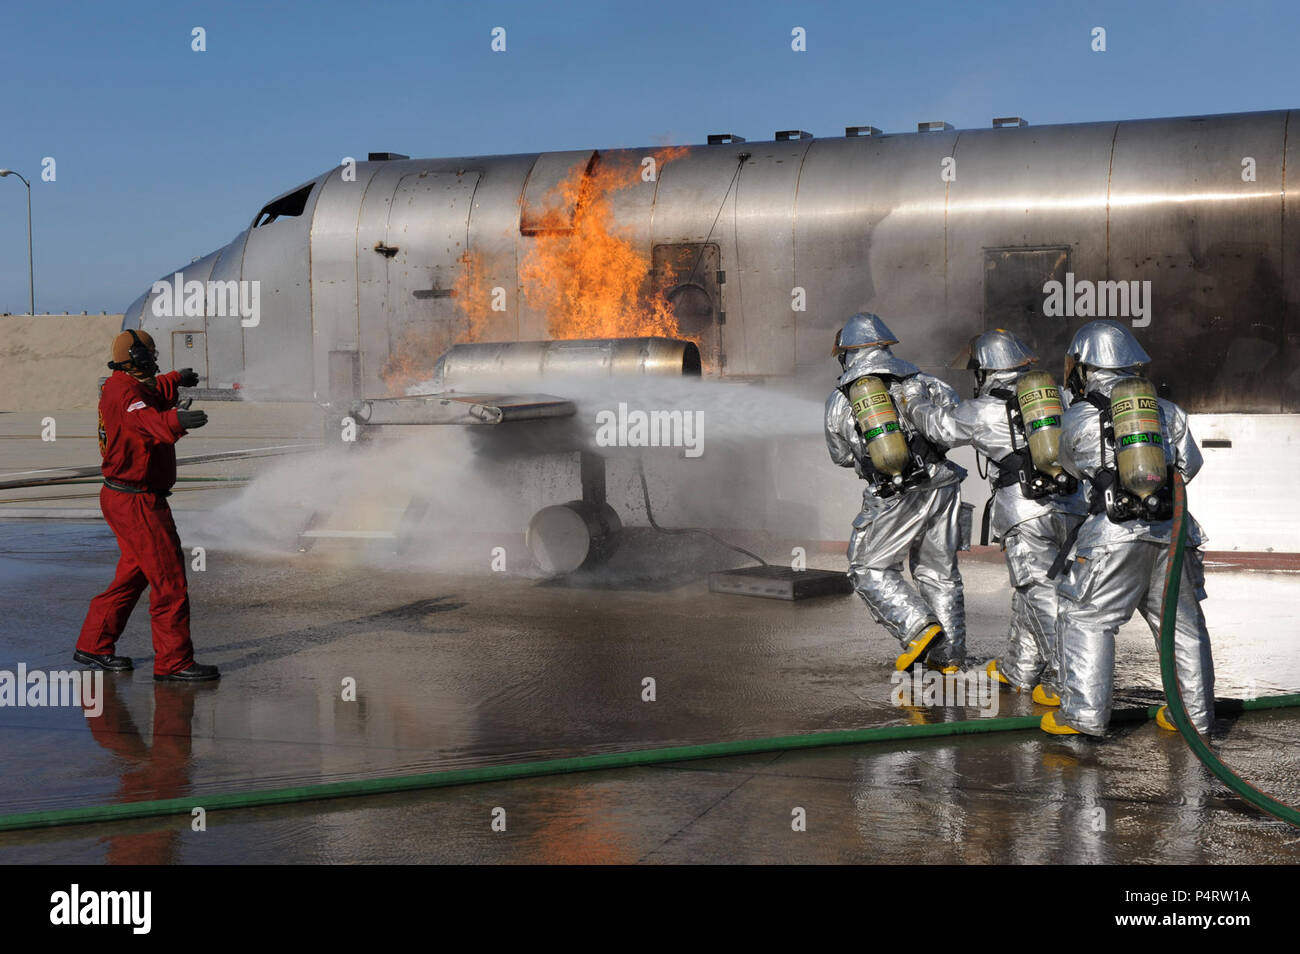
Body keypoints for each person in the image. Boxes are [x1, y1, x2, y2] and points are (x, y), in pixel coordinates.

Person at [1042, 320, 1213, 736]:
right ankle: (1193, 716)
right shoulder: (1167, 411)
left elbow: (1068, 463)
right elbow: (1190, 466)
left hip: (1113, 535)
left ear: (1085, 366)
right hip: (1173, 532)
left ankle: (1083, 716)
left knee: (1088, 619)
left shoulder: (1078, 417)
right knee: (1182, 624)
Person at [900, 329, 1085, 704]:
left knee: (1039, 592)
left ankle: (1073, 681)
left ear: (985, 371)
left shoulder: (983, 409)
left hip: (1024, 511)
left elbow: (938, 427)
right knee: (1030, 591)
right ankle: (1020, 669)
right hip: (1071, 505)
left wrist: (912, 399)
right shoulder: (1056, 397)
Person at [824, 312, 968, 672]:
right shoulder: (924, 380)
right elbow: (954, 423)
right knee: (940, 572)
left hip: (895, 490)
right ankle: (948, 657)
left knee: (867, 567)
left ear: (848, 352)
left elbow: (840, 455)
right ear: (885, 346)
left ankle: (916, 626)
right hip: (943, 484)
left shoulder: (843, 397)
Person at [74, 329, 220, 682]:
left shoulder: (123, 384)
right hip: (138, 500)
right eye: (150, 352)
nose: (155, 358)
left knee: (134, 574)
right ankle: (174, 663)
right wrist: (176, 421)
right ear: (136, 357)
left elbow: (150, 393)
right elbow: (144, 419)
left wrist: (176, 380)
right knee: (169, 579)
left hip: (123, 496)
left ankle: (94, 644)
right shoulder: (126, 395)